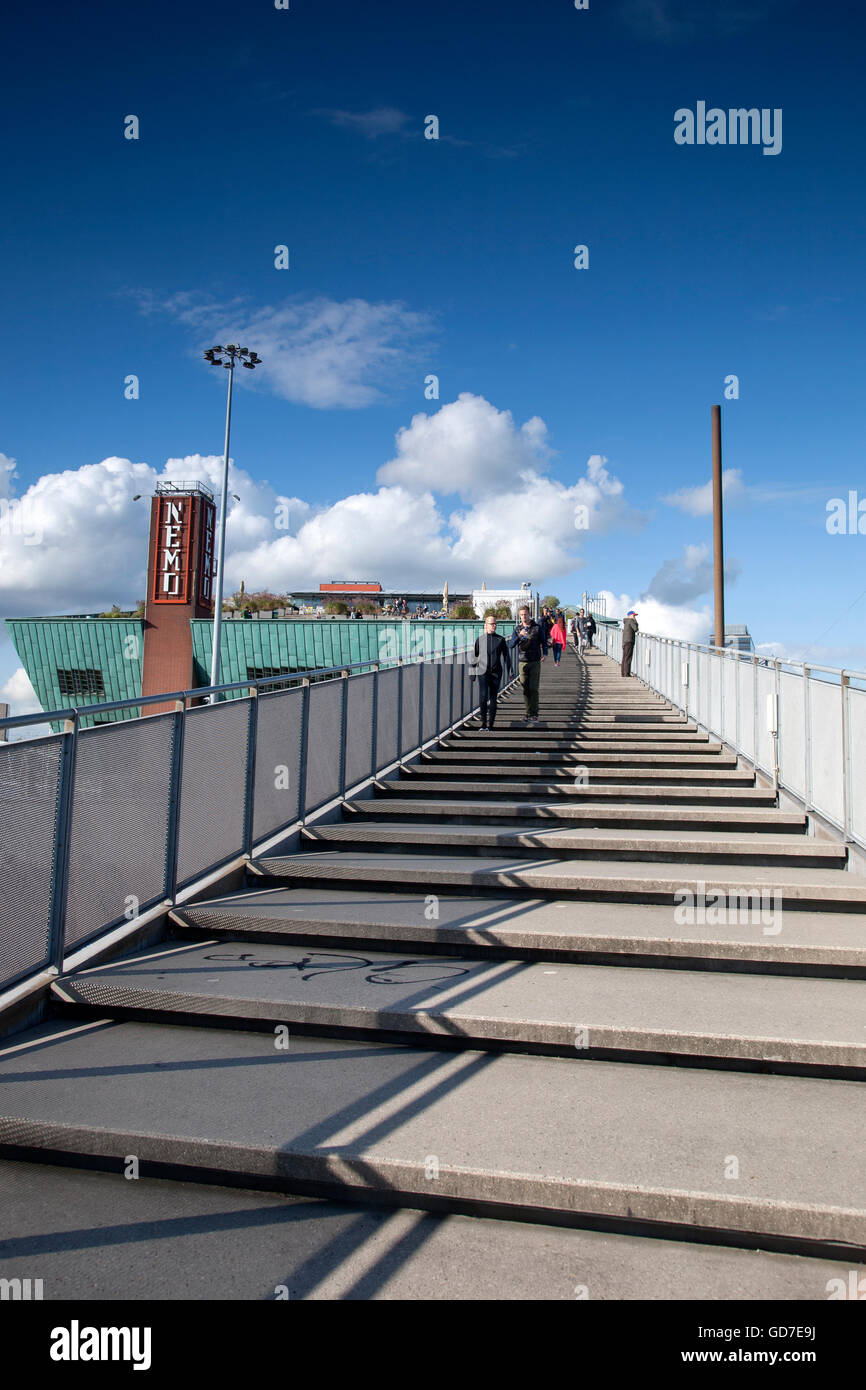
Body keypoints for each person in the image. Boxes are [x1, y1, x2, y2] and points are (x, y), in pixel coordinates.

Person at [469, 614, 511, 730]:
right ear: (485, 625)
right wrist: (472, 673)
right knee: (483, 696)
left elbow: (507, 656)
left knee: (493, 697)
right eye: (491, 624)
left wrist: (510, 671)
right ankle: (483, 724)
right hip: (483, 671)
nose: (494, 626)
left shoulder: (500, 640)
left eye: (495, 624)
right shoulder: (480, 640)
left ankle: (490, 725)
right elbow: (475, 656)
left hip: (496, 672)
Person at [507, 605, 546, 721]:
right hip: (522, 661)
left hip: (534, 661)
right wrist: (520, 635)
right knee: (525, 689)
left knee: (534, 688)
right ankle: (528, 712)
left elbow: (543, 641)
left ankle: (534, 714)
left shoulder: (537, 628)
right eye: (522, 615)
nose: (524, 617)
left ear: (529, 614)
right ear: (520, 616)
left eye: (525, 614)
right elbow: (511, 645)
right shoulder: (517, 629)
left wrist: (545, 653)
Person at [621, 610, 638, 676]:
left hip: (625, 641)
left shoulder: (626, 621)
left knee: (624, 657)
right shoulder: (631, 621)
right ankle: (627, 673)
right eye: (634, 615)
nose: (634, 617)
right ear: (630, 615)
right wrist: (635, 621)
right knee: (628, 658)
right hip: (629, 641)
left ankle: (623, 673)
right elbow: (636, 629)